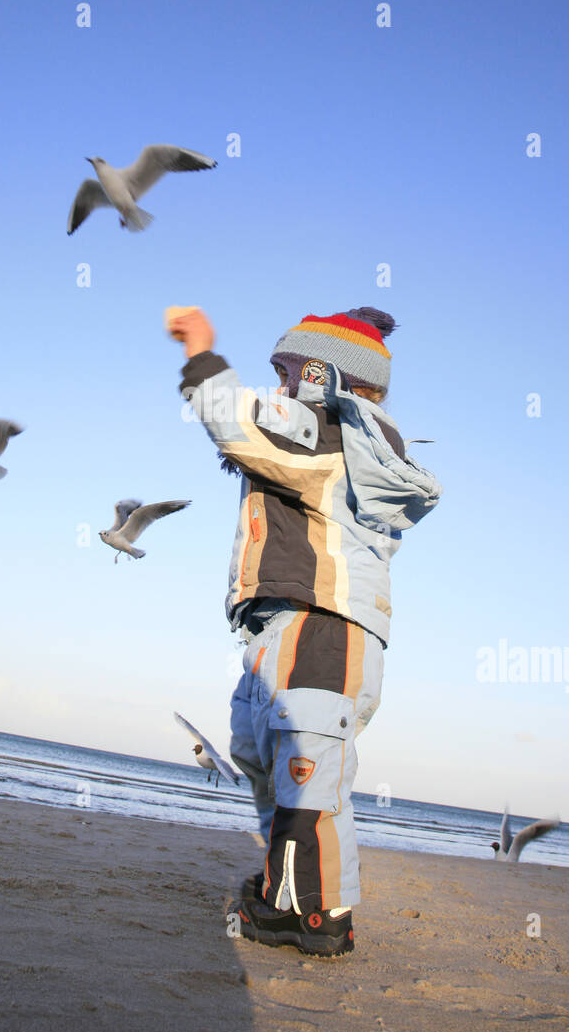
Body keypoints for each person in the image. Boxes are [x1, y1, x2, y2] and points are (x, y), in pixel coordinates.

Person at [171, 306, 441, 957]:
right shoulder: (338, 440)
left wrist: (202, 355)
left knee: (307, 771)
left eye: (286, 373)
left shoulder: (331, 432)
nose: (280, 389)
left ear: (322, 374)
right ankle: (281, 884)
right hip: (288, 630)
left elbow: (236, 423)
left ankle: (315, 915)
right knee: (263, 757)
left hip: (322, 632)